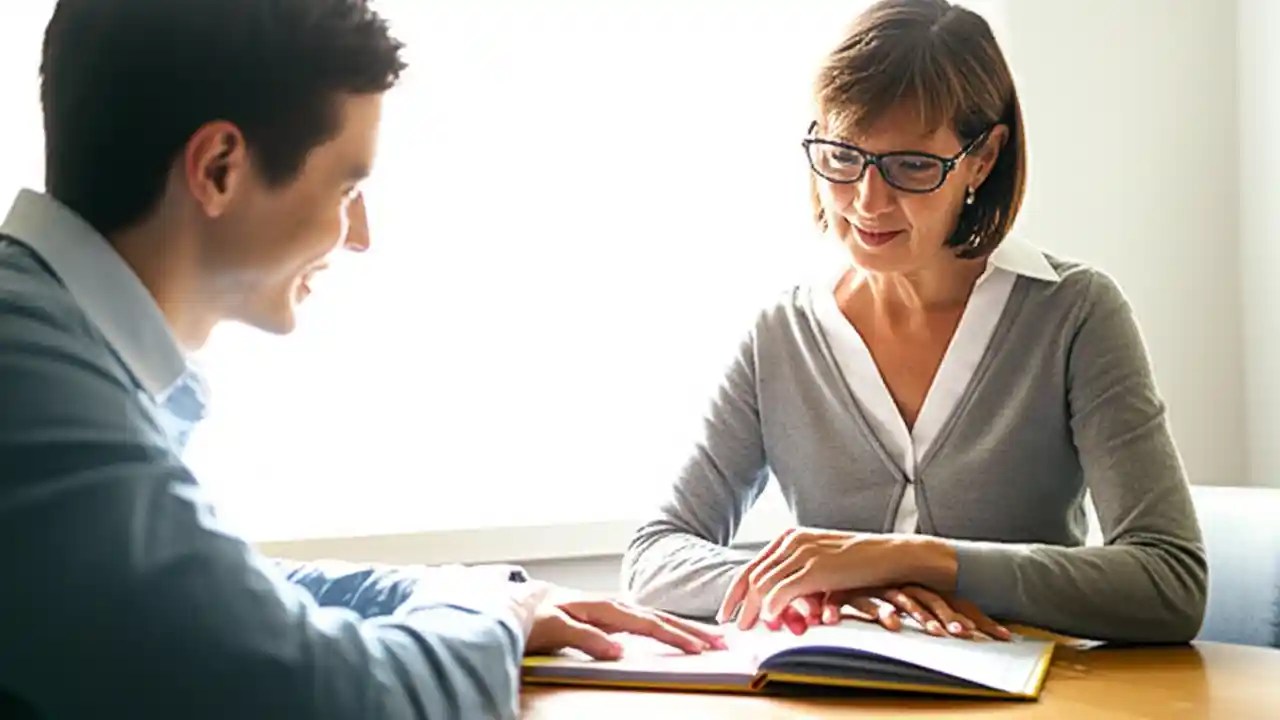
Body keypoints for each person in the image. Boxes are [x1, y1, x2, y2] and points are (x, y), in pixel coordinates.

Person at [0, 1, 721, 718]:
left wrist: (468, 594)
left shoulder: (49, 347)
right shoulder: (37, 396)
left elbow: (212, 593)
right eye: (346, 188)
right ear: (219, 167)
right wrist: (496, 619)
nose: (360, 235)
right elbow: (323, 700)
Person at [622, 0, 1207, 644]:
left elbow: (1169, 582)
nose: (868, 201)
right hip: (835, 696)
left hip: (1032, 699)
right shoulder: (781, 336)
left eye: (912, 166)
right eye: (843, 157)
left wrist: (913, 559)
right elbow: (655, 556)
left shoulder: (1074, 315)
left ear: (982, 159)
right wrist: (837, 583)